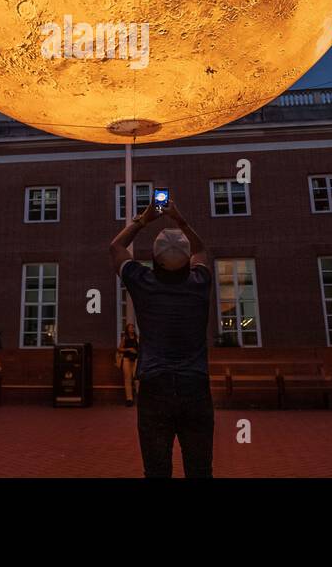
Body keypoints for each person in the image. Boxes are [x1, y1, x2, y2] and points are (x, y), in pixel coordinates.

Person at [110, 199, 213, 478]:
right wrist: (180, 221)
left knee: (156, 471)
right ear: (187, 260)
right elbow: (202, 249)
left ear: (154, 260)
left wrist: (143, 220)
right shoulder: (200, 283)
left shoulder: (143, 282)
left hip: (155, 388)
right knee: (200, 469)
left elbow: (116, 247)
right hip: (195, 386)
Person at [117, 323, 140, 407]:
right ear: (127, 329)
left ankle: (138, 396)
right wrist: (129, 349)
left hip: (136, 360)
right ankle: (129, 399)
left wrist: (137, 351)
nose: (132, 329)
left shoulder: (137, 338)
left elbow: (140, 348)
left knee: (137, 379)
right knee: (127, 379)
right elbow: (119, 348)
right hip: (127, 360)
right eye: (130, 328)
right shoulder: (125, 338)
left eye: (133, 327)